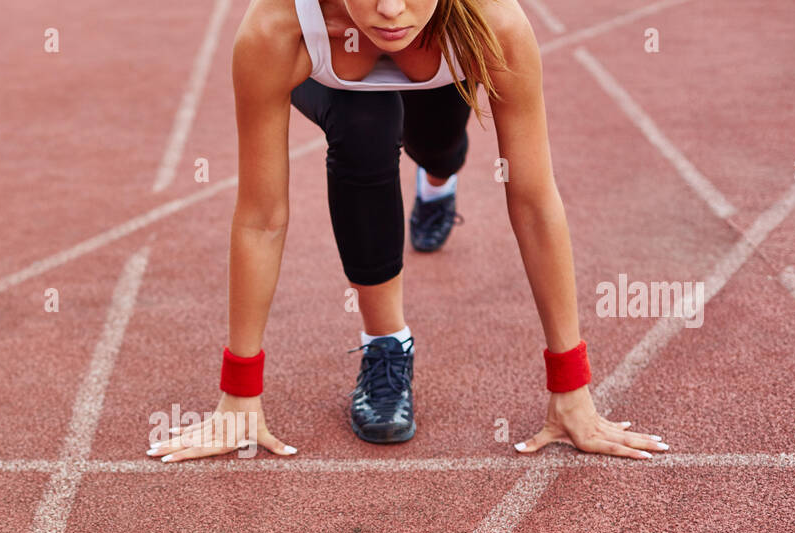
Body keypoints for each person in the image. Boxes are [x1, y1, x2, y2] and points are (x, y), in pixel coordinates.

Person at [149, 0, 667, 462]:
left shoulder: (497, 23)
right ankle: (386, 343)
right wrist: (239, 394)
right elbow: (262, 217)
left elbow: (532, 201)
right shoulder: (278, 28)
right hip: (338, 78)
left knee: (438, 145)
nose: (391, 9)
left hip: (442, 59)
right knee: (365, 129)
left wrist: (571, 388)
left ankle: (438, 179)